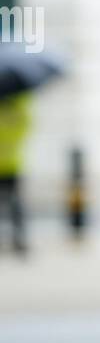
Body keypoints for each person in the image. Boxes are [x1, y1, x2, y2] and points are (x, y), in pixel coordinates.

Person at [0, 89, 32, 254]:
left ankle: (19, 238)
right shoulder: (21, 100)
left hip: (12, 162)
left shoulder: (20, 100)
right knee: (16, 202)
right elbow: (27, 125)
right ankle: (19, 239)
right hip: (13, 160)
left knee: (15, 203)